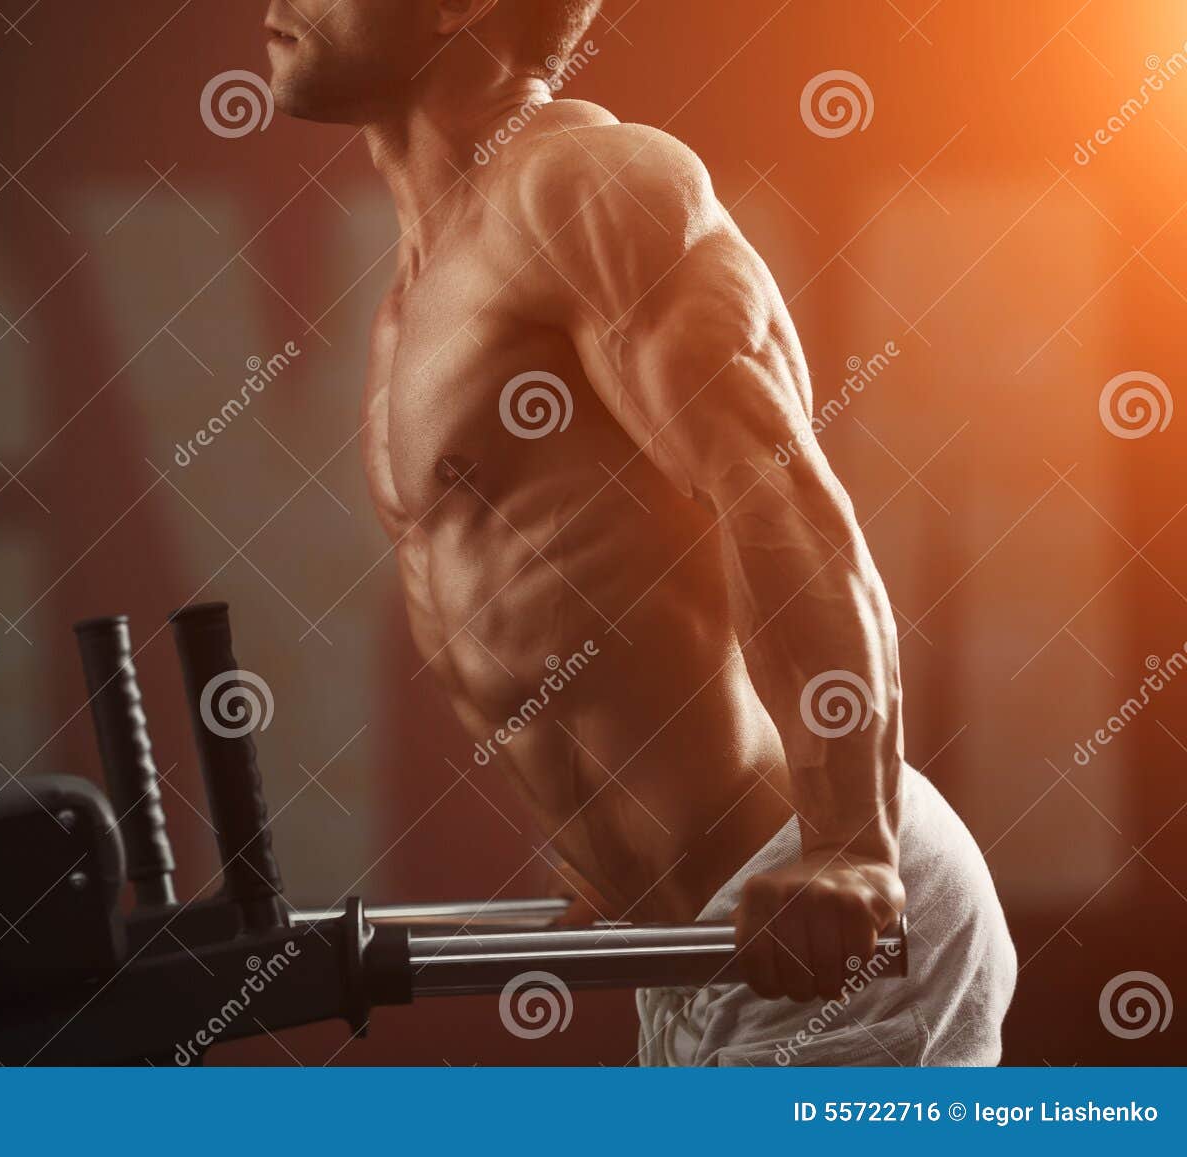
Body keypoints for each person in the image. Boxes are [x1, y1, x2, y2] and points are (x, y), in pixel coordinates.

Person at [262, 0, 1014, 1064]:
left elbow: (778, 498)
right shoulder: (414, 288)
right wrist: (612, 863)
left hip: (821, 918)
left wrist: (850, 845)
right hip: (692, 942)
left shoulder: (584, 186)